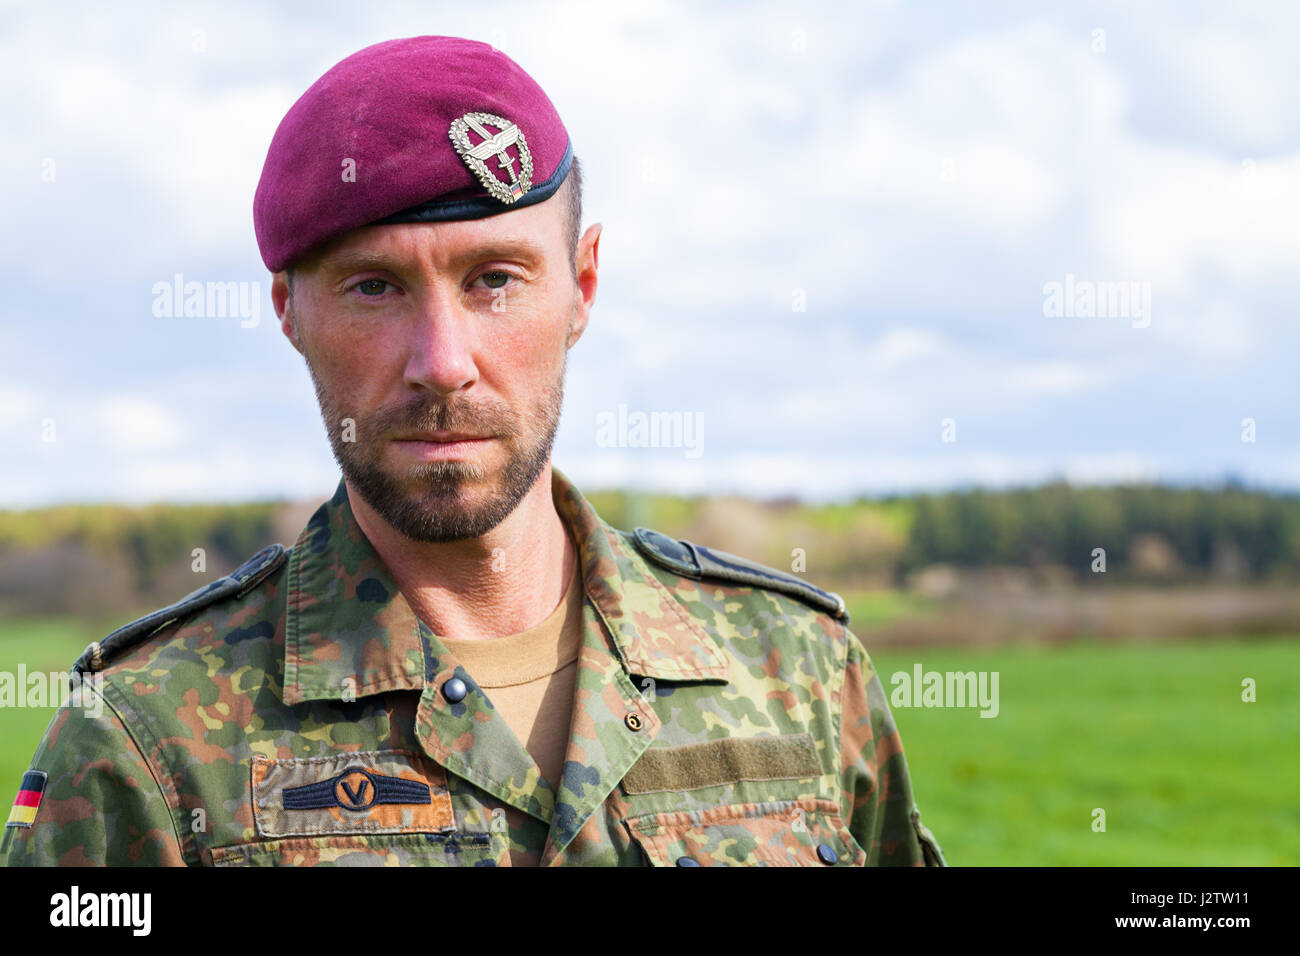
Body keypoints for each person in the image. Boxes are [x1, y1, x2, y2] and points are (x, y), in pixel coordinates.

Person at [1, 35, 945, 867]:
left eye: (495, 279)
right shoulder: (143, 742)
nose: (442, 365)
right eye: (373, 288)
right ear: (290, 312)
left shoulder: (799, 674)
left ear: (582, 286)